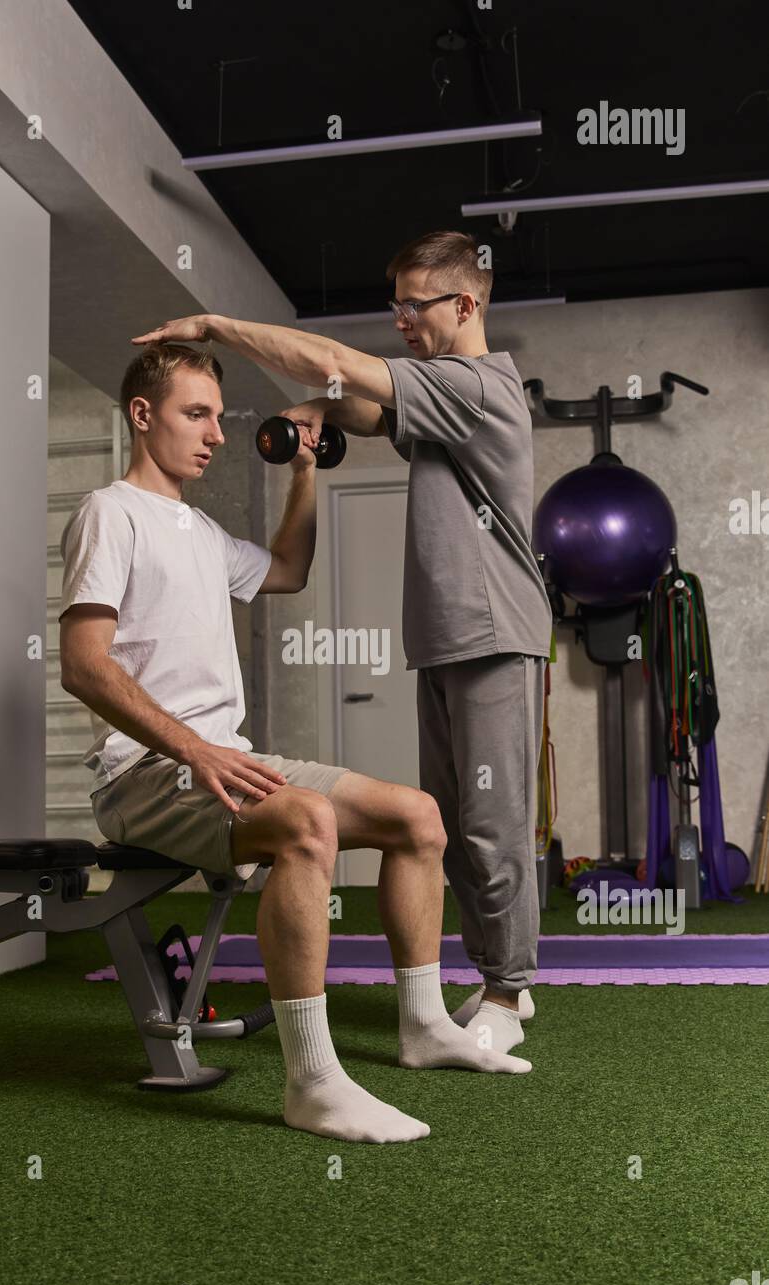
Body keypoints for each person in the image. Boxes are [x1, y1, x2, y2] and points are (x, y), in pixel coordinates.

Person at [59, 341, 529, 1147]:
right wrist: (194, 751)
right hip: (145, 774)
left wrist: (305, 472)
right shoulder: (111, 514)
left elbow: (285, 569)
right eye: (195, 415)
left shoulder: (200, 530)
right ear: (142, 414)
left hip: (225, 758)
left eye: (217, 417)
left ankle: (423, 1027)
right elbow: (83, 666)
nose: (215, 434)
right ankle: (311, 1083)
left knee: (417, 816)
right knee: (307, 821)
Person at [132, 230, 553, 1062]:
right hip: (446, 639)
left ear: (465, 303)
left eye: (414, 306)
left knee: (492, 822)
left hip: (495, 633)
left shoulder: (477, 385)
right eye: (395, 305)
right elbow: (365, 404)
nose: (401, 320)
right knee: (451, 820)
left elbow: (336, 362)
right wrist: (323, 414)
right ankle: (498, 975)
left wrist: (217, 327)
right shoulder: (438, 398)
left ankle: (507, 988)